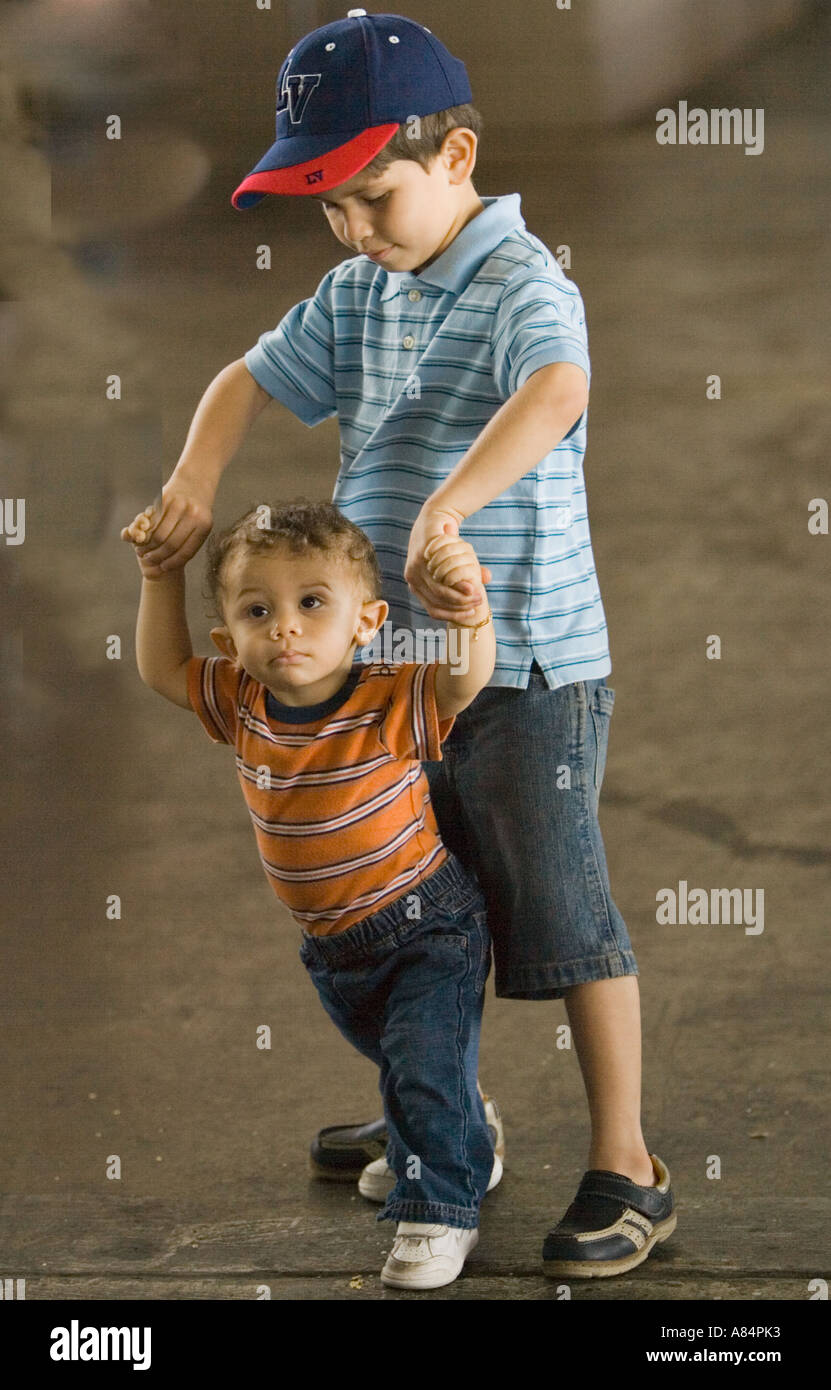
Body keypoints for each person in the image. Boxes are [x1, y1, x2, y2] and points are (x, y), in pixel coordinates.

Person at [122, 9, 676, 1277]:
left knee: (560, 909)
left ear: (459, 157)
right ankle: (440, 1113)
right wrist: (200, 475)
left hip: (523, 663)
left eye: (375, 196)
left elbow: (559, 388)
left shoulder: (525, 281)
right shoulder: (364, 287)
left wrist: (450, 507)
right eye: (331, 209)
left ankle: (627, 1161)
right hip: (395, 668)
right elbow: (243, 377)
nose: (358, 230)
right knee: (429, 900)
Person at [126, 496, 504, 1290]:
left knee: (421, 1063)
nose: (286, 627)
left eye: (311, 604)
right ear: (229, 640)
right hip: (336, 947)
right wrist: (161, 574)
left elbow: (465, 680)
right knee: (405, 1065)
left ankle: (440, 1209)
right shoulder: (242, 700)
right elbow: (163, 669)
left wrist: (469, 612)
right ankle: (457, 1135)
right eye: (259, 610)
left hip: (425, 924)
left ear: (365, 623)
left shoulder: (385, 696)